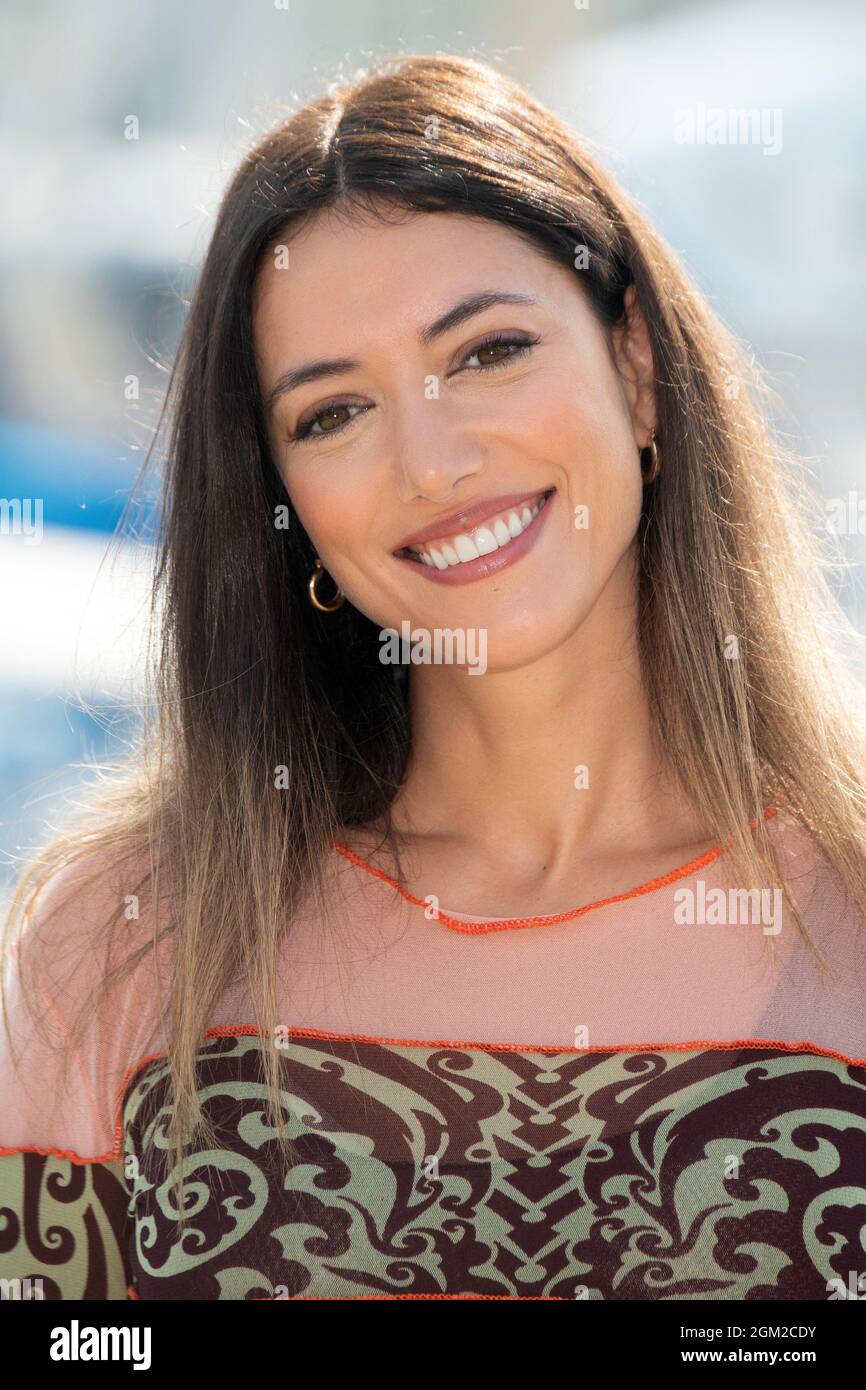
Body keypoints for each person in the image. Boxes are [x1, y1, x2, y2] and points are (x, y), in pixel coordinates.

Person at [2, 52, 866, 1302]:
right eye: (331, 414)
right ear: (283, 503)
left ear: (633, 367)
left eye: (487, 351)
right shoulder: (127, 939)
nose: (432, 460)